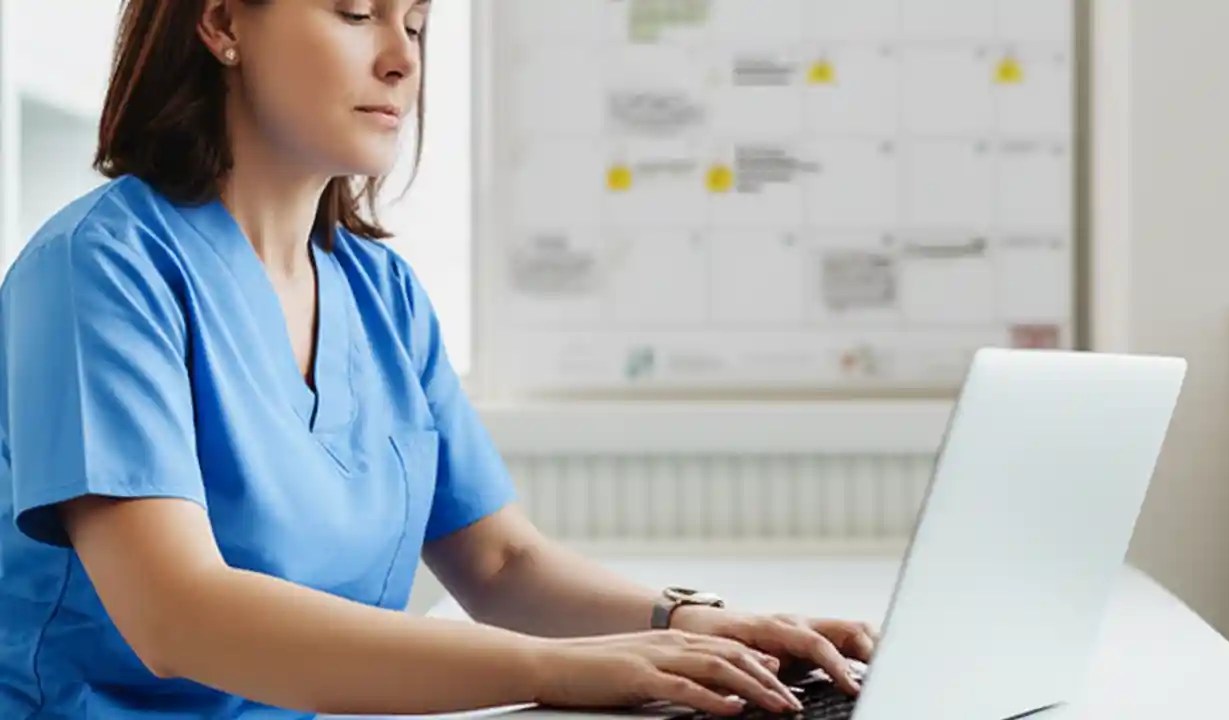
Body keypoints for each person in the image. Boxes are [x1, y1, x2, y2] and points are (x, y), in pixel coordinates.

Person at [0, 1, 879, 717]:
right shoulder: (99, 268)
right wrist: (548, 669)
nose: (401, 61)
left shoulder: (381, 291)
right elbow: (177, 615)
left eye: (415, 25)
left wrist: (701, 626)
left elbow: (499, 564)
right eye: (356, 14)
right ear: (223, 23)